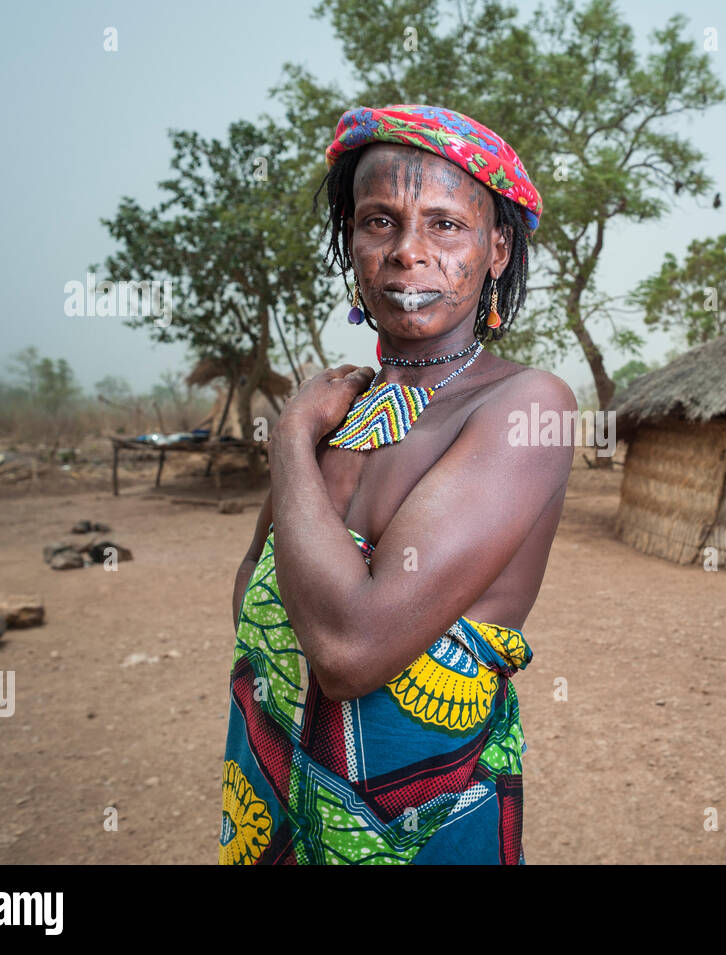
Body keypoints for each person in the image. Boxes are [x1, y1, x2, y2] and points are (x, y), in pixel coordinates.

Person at [218, 105, 575, 864]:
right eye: (379, 221)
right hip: (277, 814)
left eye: (445, 224)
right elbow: (253, 581)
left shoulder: (525, 407)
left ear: (497, 248)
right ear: (352, 241)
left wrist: (286, 439)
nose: (408, 251)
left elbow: (348, 652)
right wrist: (304, 436)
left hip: (422, 833)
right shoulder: (342, 412)